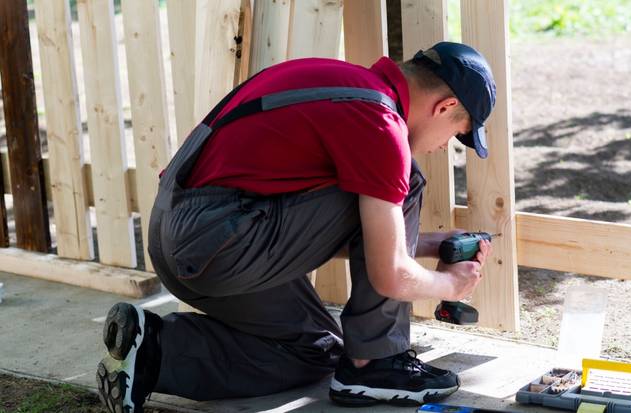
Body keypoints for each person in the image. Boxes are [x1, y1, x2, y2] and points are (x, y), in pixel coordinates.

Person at [95, 41, 497, 413]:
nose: (445, 146)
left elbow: (305, 228)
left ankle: (155, 349)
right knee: (406, 181)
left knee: (315, 351)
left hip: (182, 239)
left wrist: (427, 243)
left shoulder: (337, 81)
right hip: (219, 246)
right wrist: (451, 286)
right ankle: (376, 363)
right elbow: (390, 275)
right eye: (458, 136)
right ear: (444, 107)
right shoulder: (379, 124)